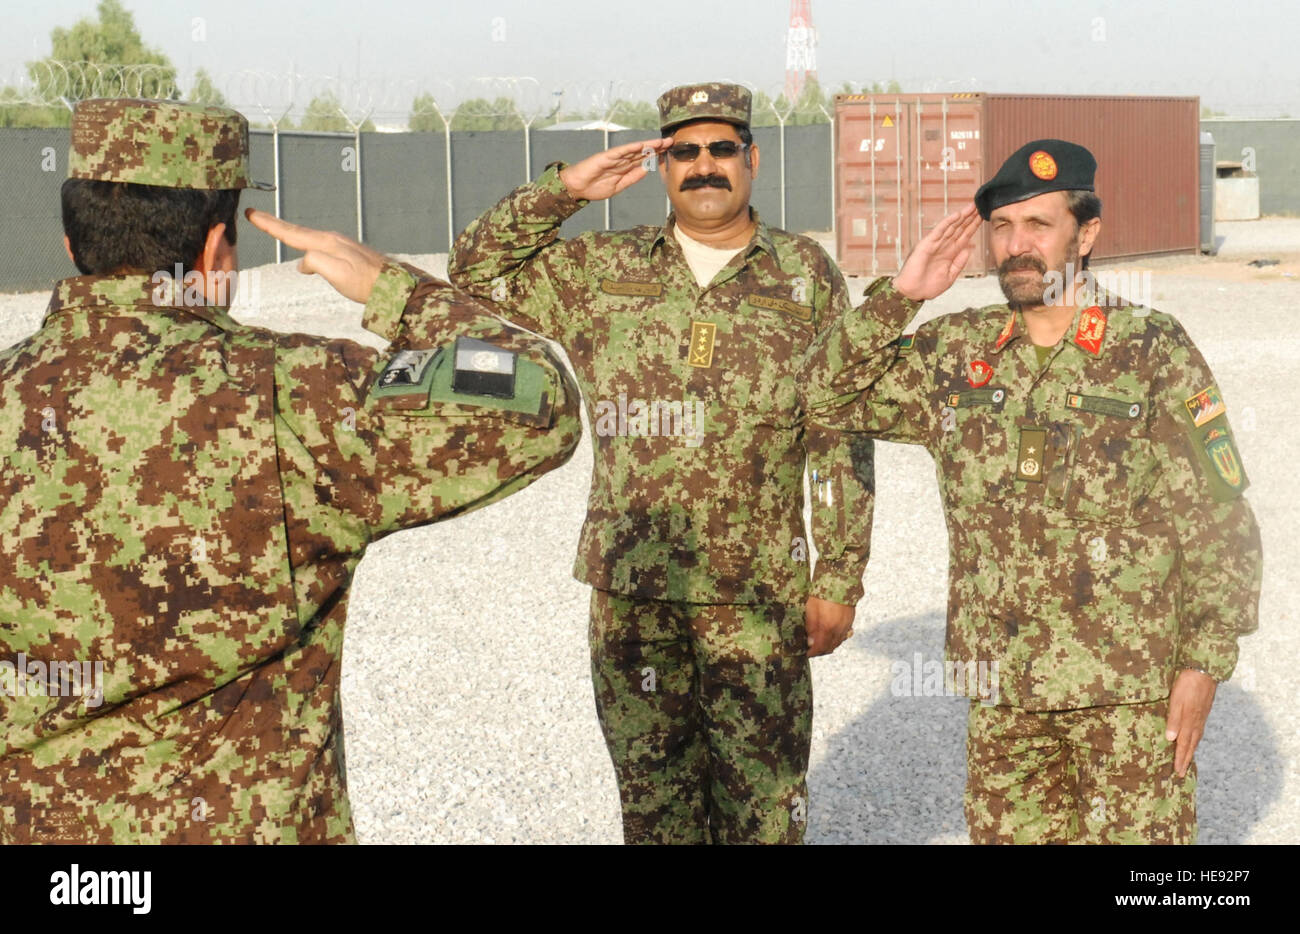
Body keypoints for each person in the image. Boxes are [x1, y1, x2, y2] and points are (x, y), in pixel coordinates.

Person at [0, 97, 581, 844]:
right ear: (216, 248)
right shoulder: (292, 392)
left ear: (70, 240)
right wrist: (397, 291)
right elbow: (538, 397)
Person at [448, 82, 897, 844]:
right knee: (655, 813)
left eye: (722, 149)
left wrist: (838, 576)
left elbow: (838, 426)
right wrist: (564, 192)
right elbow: (475, 271)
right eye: (683, 152)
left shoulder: (804, 274)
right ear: (662, 167)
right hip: (634, 596)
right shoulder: (601, 270)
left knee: (765, 809)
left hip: (757, 594)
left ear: (752, 159)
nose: (704, 166)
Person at [800, 139, 1263, 844]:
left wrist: (1203, 665)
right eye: (1002, 227)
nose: (1017, 246)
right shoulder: (959, 354)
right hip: (1003, 700)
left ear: (1087, 234)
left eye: (1039, 226)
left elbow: (1220, 519)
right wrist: (903, 295)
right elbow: (821, 396)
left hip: (1128, 697)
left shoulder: (1150, 350)